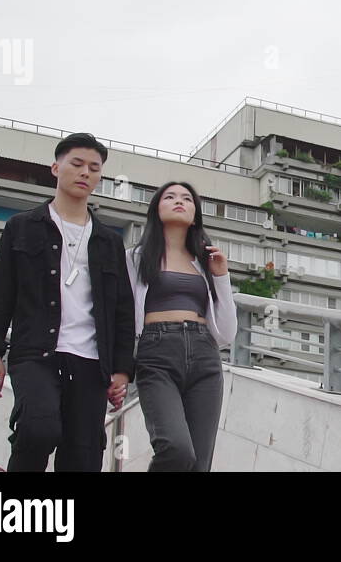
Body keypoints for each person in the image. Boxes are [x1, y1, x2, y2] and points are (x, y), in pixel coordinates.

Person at [0, 133, 135, 472]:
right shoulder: (21, 228)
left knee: (84, 453)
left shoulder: (109, 242)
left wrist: (121, 369)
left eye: (94, 168)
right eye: (76, 164)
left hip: (91, 361)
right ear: (56, 167)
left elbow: (122, 309)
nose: (85, 173)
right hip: (36, 352)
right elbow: (1, 294)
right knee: (38, 428)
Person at [126, 181, 236, 472]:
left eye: (187, 198)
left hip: (205, 357)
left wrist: (222, 276)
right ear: (156, 209)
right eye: (170, 197)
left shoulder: (205, 263)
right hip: (156, 353)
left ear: (195, 213)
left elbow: (226, 333)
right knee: (176, 450)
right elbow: (121, 316)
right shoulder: (135, 259)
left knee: (199, 465)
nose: (179, 201)